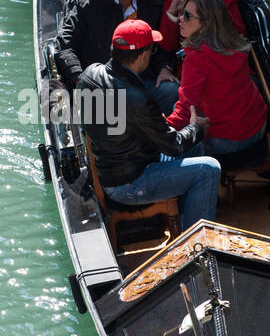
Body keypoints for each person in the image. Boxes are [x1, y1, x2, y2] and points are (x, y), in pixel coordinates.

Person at [77, 19, 222, 231]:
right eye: (153, 48)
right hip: (130, 183)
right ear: (143, 55)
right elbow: (173, 145)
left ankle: (187, 219)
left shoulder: (90, 72)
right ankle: (196, 245)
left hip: (111, 167)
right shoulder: (136, 99)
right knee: (209, 169)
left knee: (195, 147)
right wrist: (197, 128)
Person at [56, 0, 179, 113]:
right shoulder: (85, 3)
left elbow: (163, 44)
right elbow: (65, 45)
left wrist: (165, 67)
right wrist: (80, 80)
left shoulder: (153, 2)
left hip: (142, 82)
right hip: (101, 85)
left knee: (172, 92)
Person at [166, 0, 268, 156]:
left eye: (187, 16)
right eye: (182, 12)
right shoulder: (234, 43)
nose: (180, 19)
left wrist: (159, 129)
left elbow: (185, 112)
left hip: (228, 140)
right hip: (258, 125)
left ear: (205, 24)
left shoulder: (195, 60)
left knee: (175, 128)